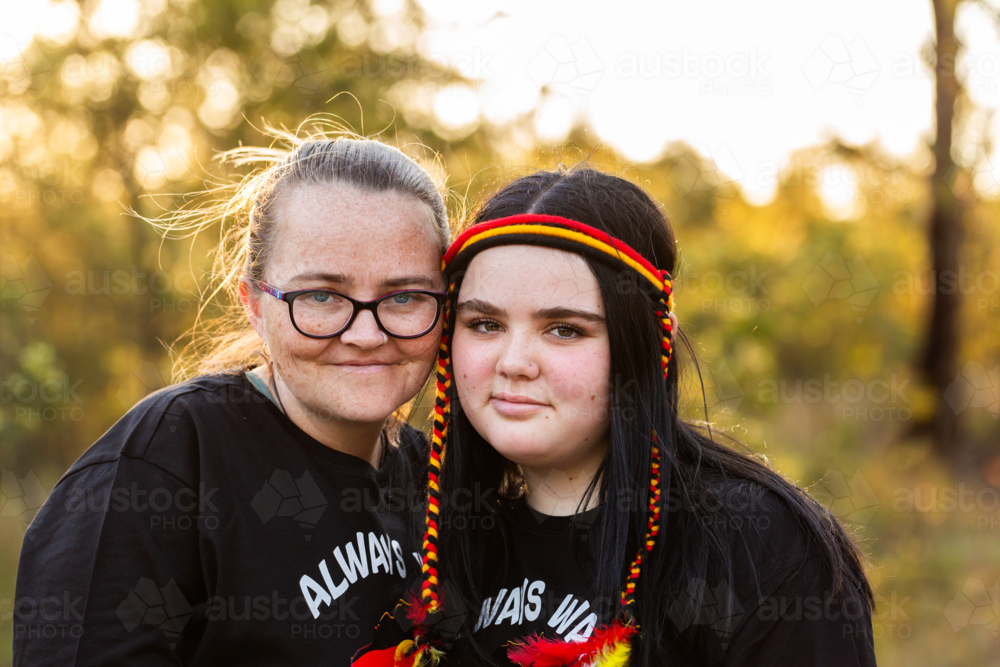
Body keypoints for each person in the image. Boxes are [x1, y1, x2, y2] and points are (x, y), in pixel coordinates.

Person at [353, 166, 877, 667]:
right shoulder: (433, 536)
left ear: (647, 343)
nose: (513, 363)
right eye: (485, 324)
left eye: (564, 329)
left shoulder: (761, 548)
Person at [14, 134, 449, 666]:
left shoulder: (440, 483)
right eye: (319, 296)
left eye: (404, 296)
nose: (364, 333)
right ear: (253, 304)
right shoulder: (164, 467)